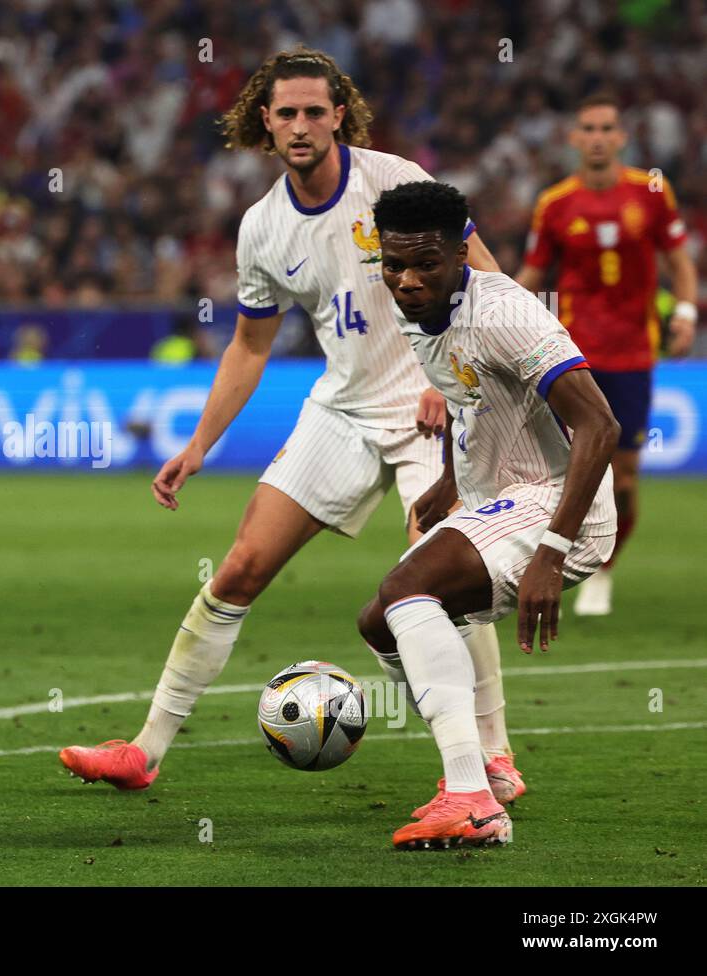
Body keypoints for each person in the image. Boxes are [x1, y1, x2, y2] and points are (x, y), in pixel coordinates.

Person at [58, 48, 524, 801]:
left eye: (315, 111)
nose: (301, 125)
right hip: (341, 408)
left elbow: (492, 283)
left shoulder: (395, 182)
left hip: (429, 407)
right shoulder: (264, 227)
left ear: (340, 114)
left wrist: (458, 374)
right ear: (264, 122)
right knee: (240, 566)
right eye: (287, 114)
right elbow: (249, 344)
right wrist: (199, 444)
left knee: (438, 578)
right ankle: (143, 751)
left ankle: (490, 760)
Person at [358, 180, 618, 849]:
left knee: (404, 593)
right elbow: (461, 393)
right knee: (380, 626)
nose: (407, 280)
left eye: (424, 264)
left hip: (557, 507)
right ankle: (482, 778)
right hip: (494, 502)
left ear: (459, 254)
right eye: (393, 264)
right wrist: (448, 479)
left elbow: (600, 426)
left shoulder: (506, 313)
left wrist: (553, 551)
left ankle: (473, 799)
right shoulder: (417, 310)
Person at [516, 92, 697, 616]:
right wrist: (500, 323)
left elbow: (679, 262)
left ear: (621, 137)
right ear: (575, 139)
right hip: (570, 357)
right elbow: (533, 275)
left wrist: (683, 314)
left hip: (633, 354)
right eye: (588, 128)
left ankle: (604, 569)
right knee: (561, 471)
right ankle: (553, 562)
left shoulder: (653, 192)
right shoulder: (555, 203)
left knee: (625, 479)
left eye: (607, 128)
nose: (597, 138)